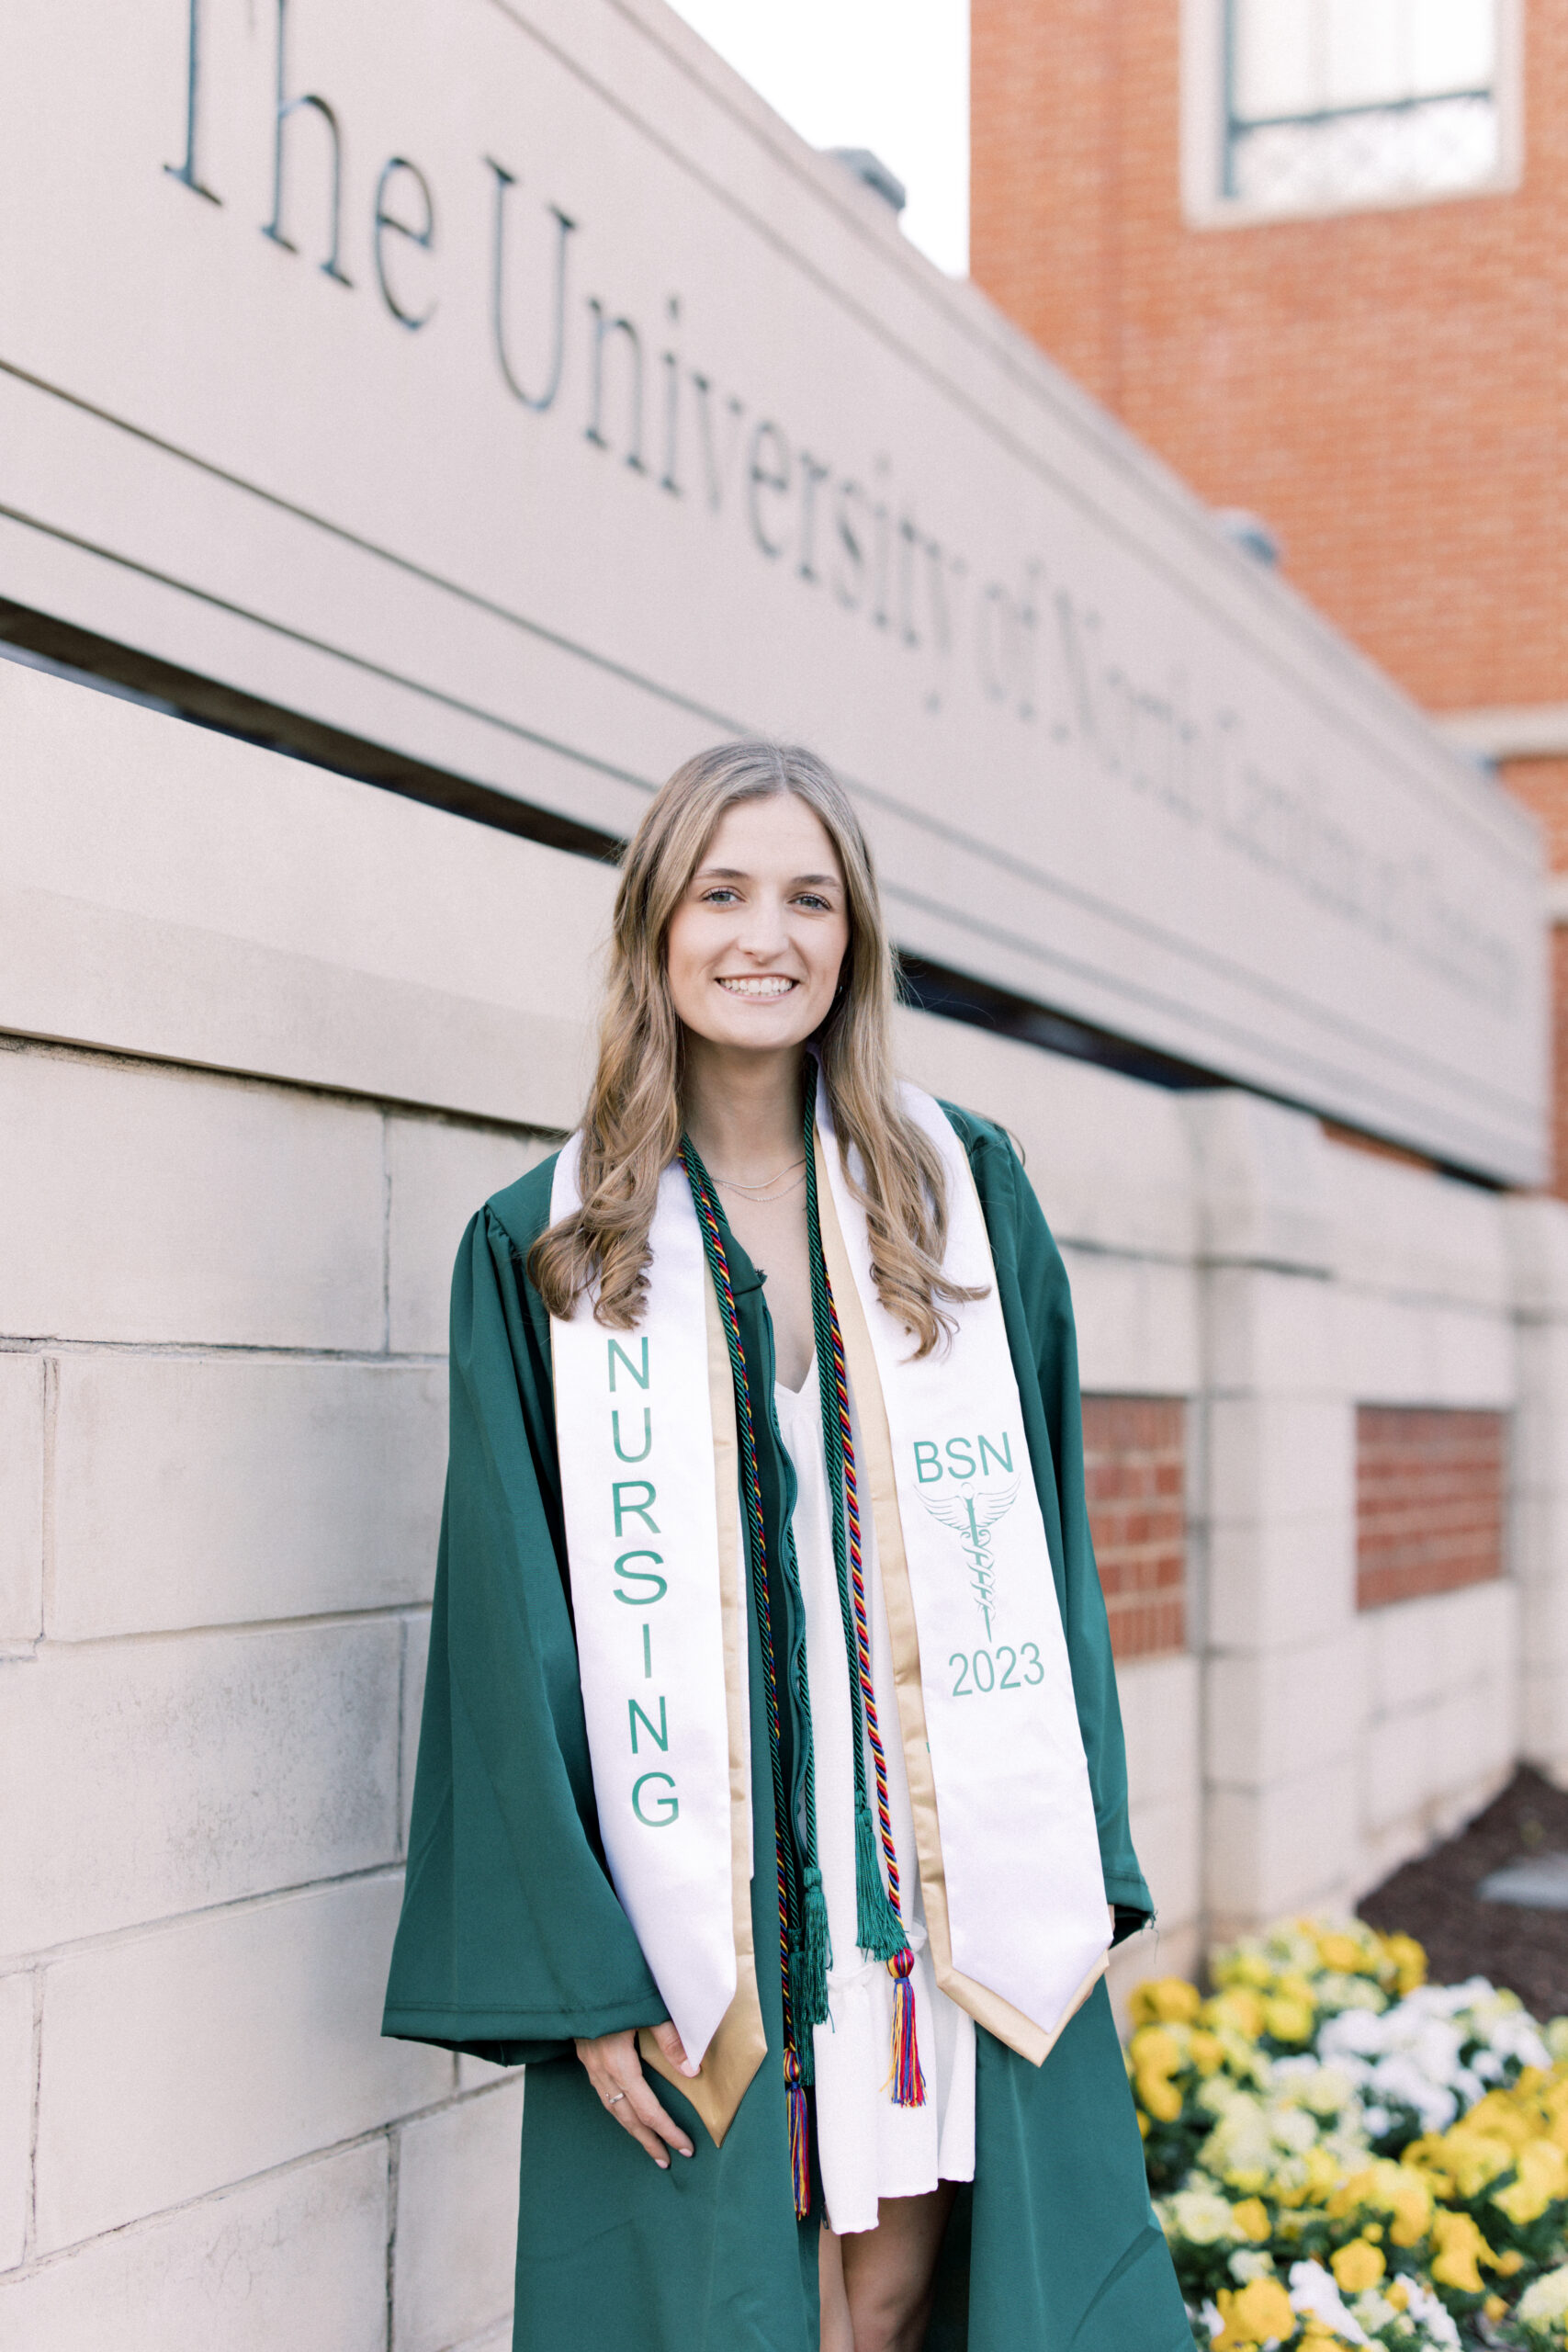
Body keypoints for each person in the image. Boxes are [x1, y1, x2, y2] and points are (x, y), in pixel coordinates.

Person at [383, 741, 1190, 2352]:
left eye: (810, 898)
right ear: (656, 930)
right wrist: (587, 1969)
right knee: (742, 2308)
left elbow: (1051, 1551)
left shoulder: (959, 1198)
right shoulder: (548, 1246)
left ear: (857, 936)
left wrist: (1075, 1856)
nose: (769, 936)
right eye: (724, 892)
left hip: (935, 1887)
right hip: (708, 1886)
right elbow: (507, 1618)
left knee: (894, 2305)